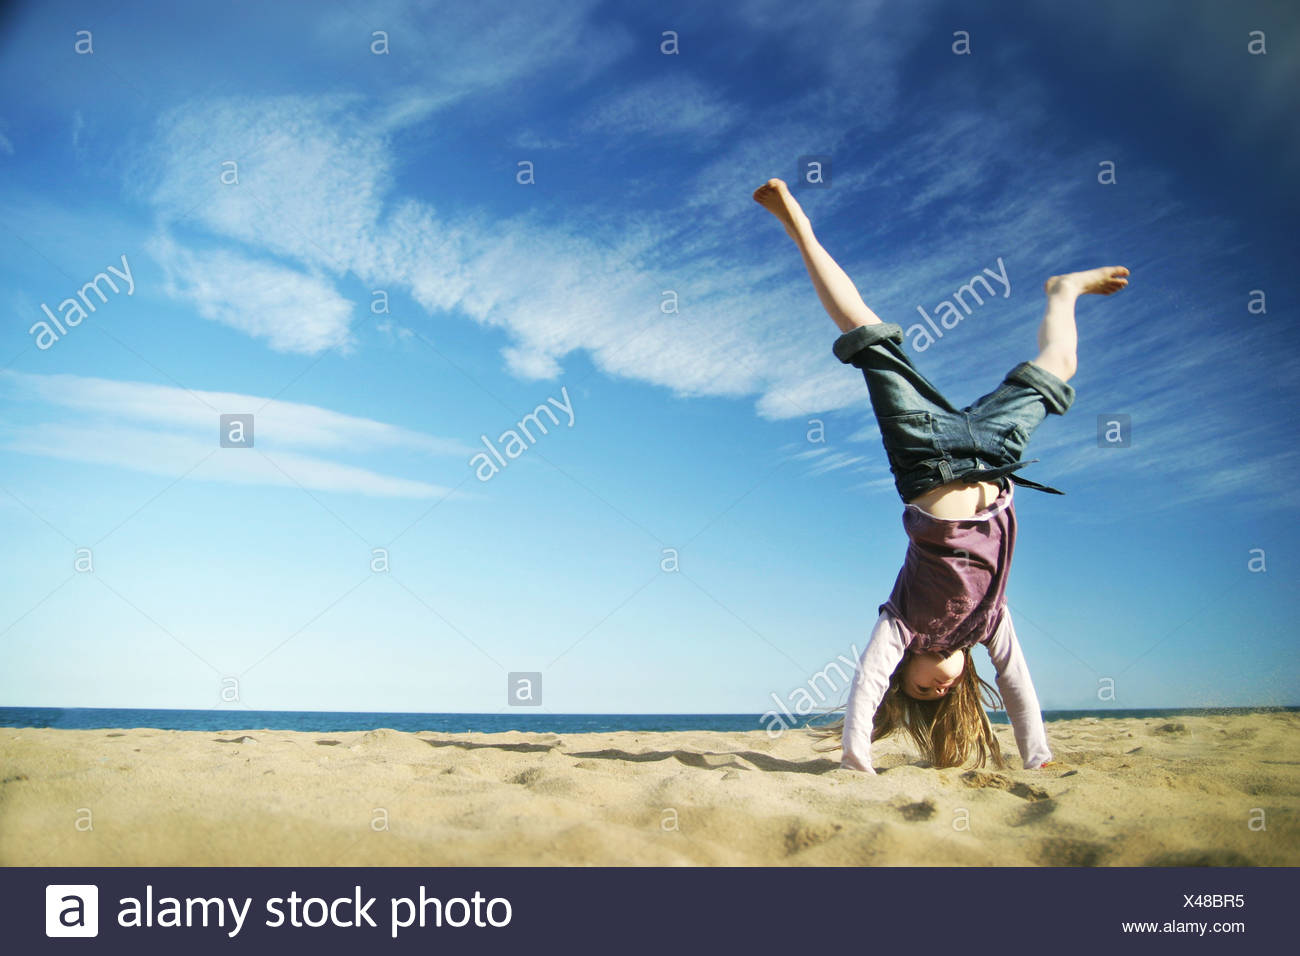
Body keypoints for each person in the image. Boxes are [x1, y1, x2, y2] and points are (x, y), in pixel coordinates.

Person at [752, 177, 1129, 774]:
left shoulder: (900, 625)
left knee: (870, 340)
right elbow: (1018, 688)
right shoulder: (989, 623)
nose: (943, 686)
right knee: (1059, 370)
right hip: (995, 458)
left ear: (908, 670)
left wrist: (857, 758)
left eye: (922, 690)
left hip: (926, 457)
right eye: (945, 694)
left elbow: (866, 685)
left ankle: (796, 224)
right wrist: (1038, 758)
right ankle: (1064, 292)